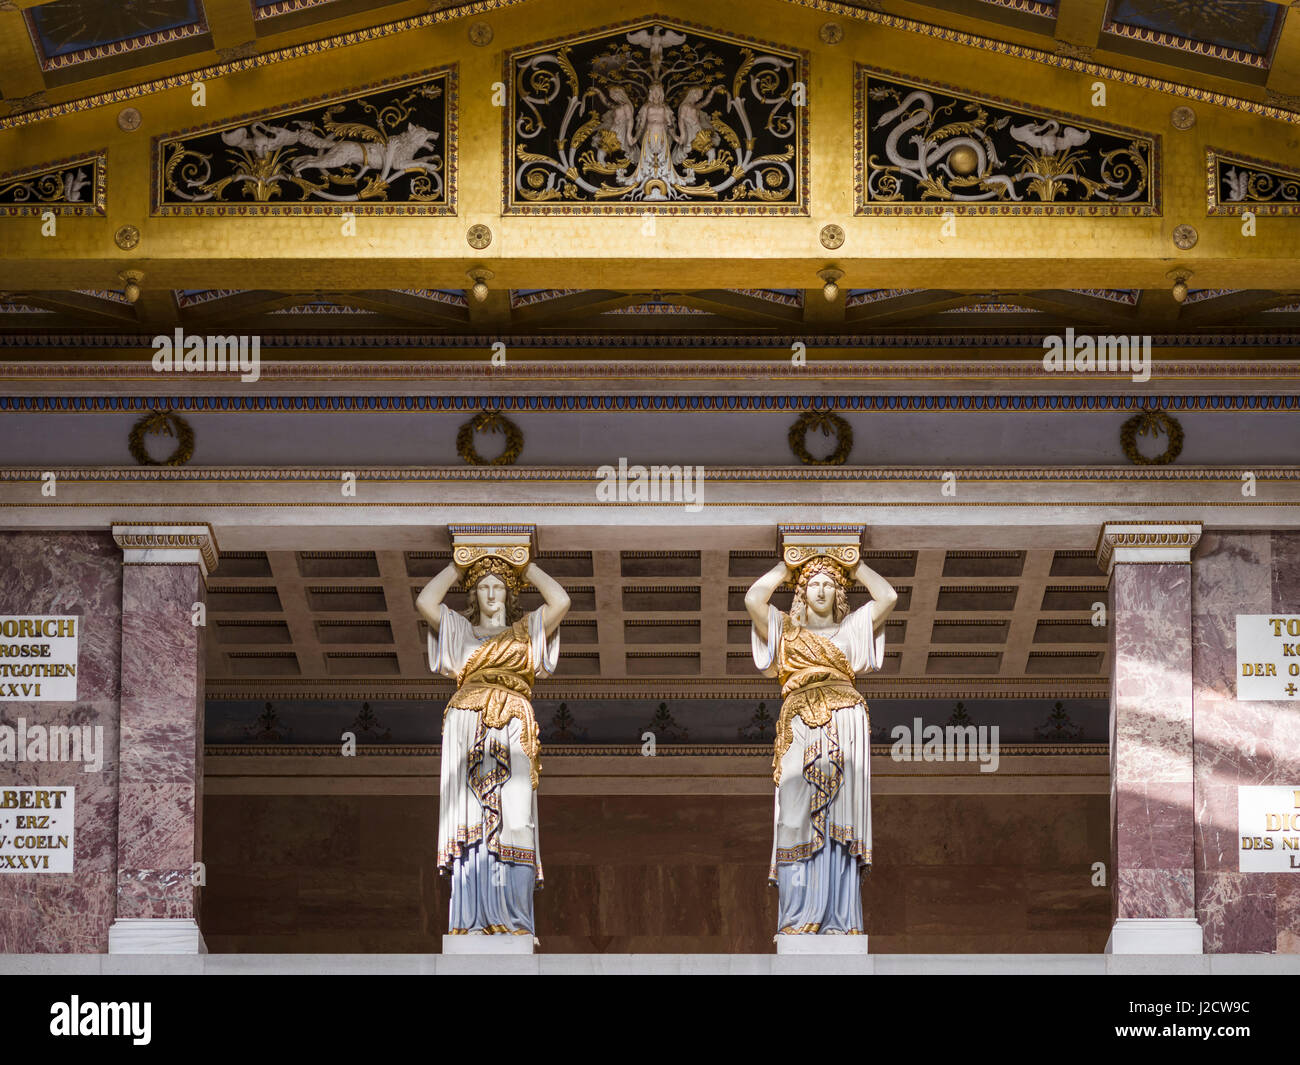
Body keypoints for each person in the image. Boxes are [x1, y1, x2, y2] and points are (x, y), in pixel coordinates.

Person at [415, 555, 569, 936]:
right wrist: (458, 564)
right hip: (467, 720)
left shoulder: (525, 630)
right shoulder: (460, 632)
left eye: (498, 586)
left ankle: (515, 919)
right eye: (483, 586)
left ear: (509, 594)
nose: (491, 593)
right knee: (471, 819)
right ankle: (470, 921)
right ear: (474, 594)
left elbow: (560, 601)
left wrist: (523, 565)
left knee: (515, 819)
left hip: (512, 718)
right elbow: (425, 602)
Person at [745, 553, 897, 935]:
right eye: (813, 583)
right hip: (799, 718)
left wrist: (853, 563)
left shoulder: (850, 630)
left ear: (839, 592)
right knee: (795, 815)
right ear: (802, 591)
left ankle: (840, 920)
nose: (821, 589)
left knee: (837, 821)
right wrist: (790, 564)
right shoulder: (786, 631)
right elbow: (753, 600)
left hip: (844, 717)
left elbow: (888, 597)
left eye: (830, 583)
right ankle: (798, 917)